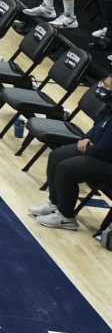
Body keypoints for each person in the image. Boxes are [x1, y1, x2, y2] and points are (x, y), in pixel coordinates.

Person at [28, 74, 112, 230]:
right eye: (104, 84)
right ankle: (56, 203)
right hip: (97, 150)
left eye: (107, 87)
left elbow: (107, 149)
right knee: (57, 155)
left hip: (107, 161)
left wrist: (90, 149)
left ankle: (66, 217)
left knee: (67, 168)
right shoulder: (109, 106)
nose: (102, 88)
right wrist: (87, 138)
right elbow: (98, 126)